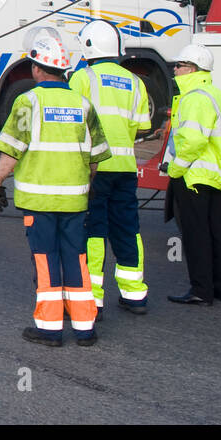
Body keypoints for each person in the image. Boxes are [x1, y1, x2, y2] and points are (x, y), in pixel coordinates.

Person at [0, 28, 109, 347]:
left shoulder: (28, 103)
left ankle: (50, 329)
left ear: (37, 69)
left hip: (40, 203)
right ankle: (86, 328)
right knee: (76, 259)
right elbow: (95, 155)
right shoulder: (82, 104)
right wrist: (89, 183)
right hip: (75, 201)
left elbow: (11, 150)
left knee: (45, 260)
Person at [69, 21, 151, 317]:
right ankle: (134, 294)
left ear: (88, 47)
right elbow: (142, 127)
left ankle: (93, 299)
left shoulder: (82, 78)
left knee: (93, 230)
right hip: (126, 168)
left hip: (94, 168)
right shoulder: (135, 81)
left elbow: (73, 123)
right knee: (128, 228)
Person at [163, 44, 221, 305]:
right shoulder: (216, 94)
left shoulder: (194, 98)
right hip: (213, 176)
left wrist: (176, 170)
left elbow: (192, 142)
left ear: (194, 69)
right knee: (216, 232)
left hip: (192, 176)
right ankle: (220, 287)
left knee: (195, 234)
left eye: (179, 65)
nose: (175, 70)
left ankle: (201, 290)